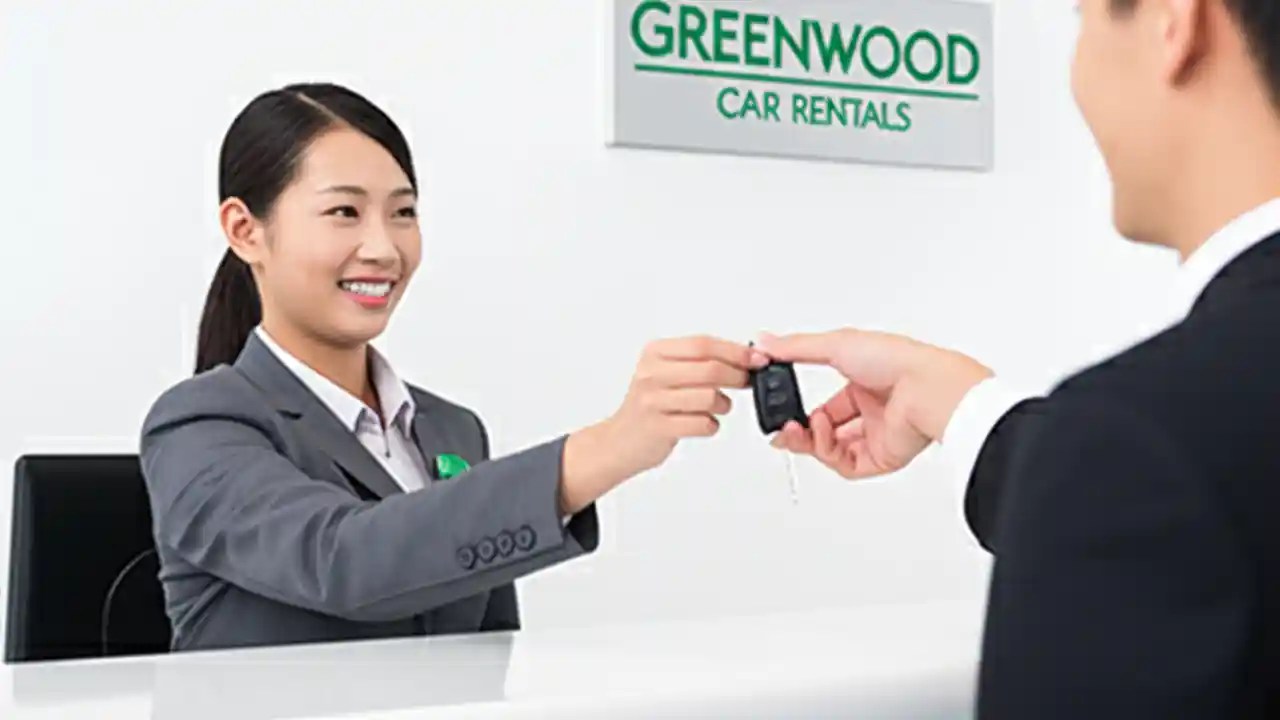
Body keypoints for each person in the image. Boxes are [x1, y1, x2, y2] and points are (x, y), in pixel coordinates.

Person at [761, 0, 1280, 716]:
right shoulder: (1144, 448)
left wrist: (1080, 453)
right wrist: (967, 410)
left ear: (1173, 22)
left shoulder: (1135, 441)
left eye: (1084, 20)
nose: (1076, 73)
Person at [140, 82, 768, 652]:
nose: (384, 248)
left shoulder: (451, 429)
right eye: (344, 212)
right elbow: (344, 560)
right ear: (245, 230)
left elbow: (489, 658)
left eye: (403, 212)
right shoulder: (199, 424)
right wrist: (607, 448)